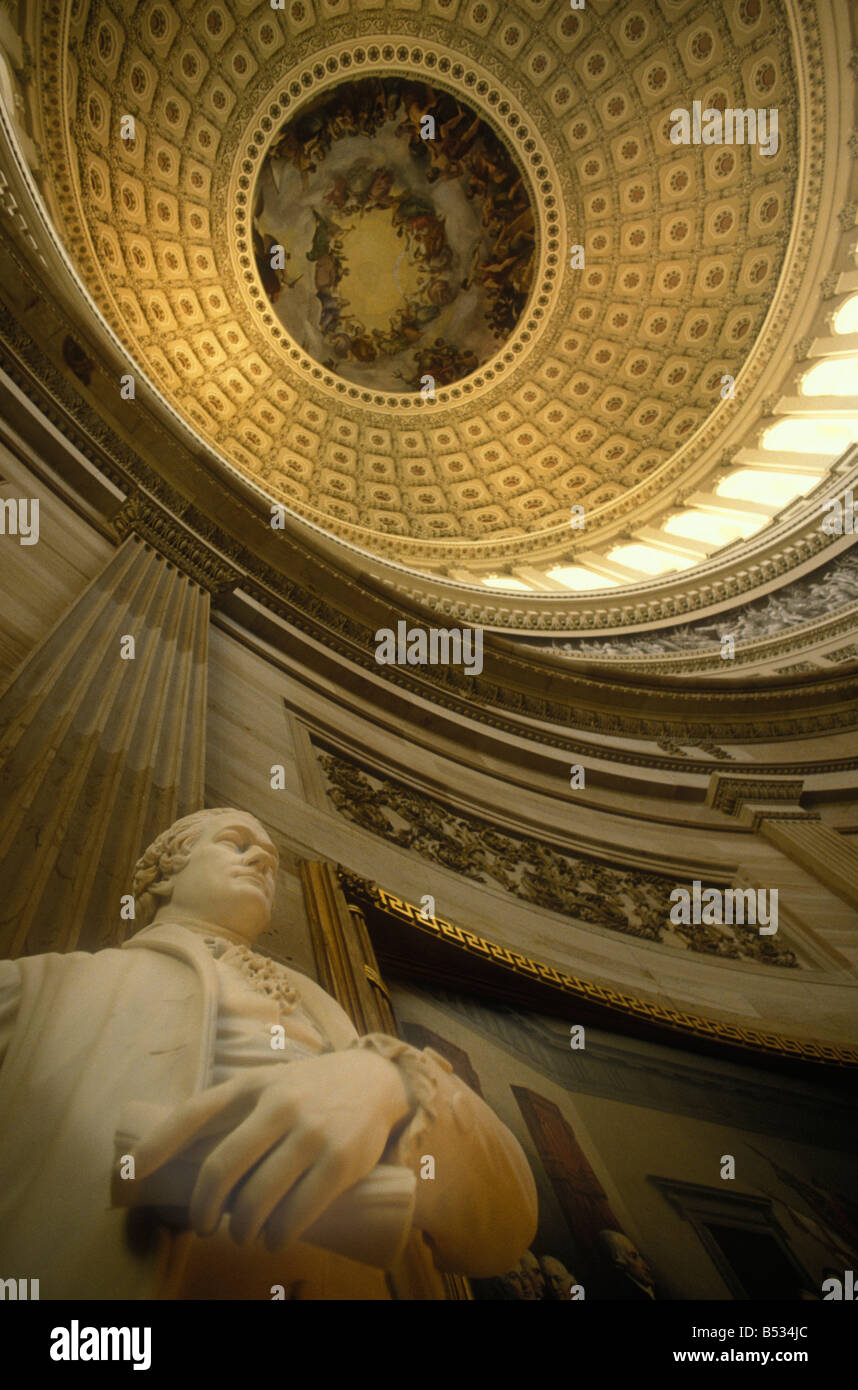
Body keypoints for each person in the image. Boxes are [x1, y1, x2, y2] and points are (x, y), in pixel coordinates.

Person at [0, 808, 537, 1298]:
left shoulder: (332, 1016)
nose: (261, 859)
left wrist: (393, 1086)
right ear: (163, 873)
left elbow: (505, 1229)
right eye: (235, 844)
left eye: (271, 857)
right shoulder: (41, 990)